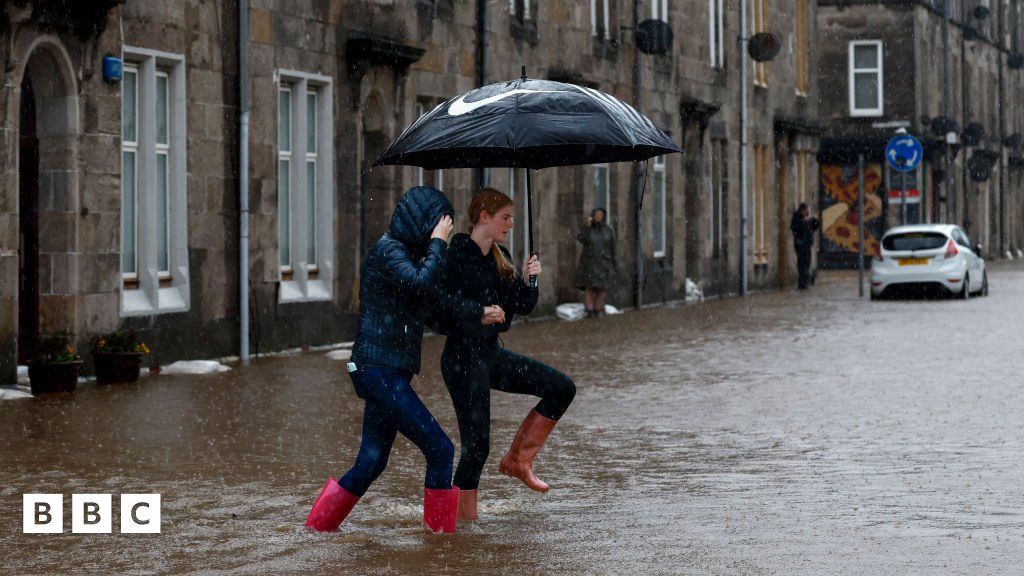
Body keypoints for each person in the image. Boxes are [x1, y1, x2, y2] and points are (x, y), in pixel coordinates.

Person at [304, 186, 460, 534]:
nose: (443, 235)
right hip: (377, 371)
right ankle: (441, 546)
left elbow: (433, 307)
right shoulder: (388, 251)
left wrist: (480, 315)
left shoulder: (408, 258)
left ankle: (316, 532)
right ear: (424, 222)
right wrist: (438, 244)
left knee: (371, 462)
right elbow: (420, 285)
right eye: (441, 226)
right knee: (440, 450)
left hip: (384, 372)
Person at [438, 188, 577, 523]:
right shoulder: (456, 255)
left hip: (491, 355)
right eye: (505, 217)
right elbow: (439, 311)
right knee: (477, 447)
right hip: (462, 360)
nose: (511, 224)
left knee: (562, 388)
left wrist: (531, 280)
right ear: (483, 216)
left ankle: (518, 460)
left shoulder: (501, 258)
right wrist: (479, 313)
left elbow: (522, 305)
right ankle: (462, 527)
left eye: (513, 218)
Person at [575, 208, 616, 318]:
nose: (598, 217)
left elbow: (613, 247)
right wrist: (587, 227)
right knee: (589, 287)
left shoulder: (608, 230)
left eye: (600, 215)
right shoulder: (588, 229)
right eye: (596, 214)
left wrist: (613, 262)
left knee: (601, 288)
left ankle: (598, 309)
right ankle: (590, 310)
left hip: (604, 263)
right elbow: (580, 239)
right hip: (589, 263)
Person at [790, 202, 820, 290]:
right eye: (805, 210)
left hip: (807, 245)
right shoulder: (797, 218)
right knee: (802, 264)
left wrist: (814, 220)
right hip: (800, 244)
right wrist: (802, 223)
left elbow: (815, 227)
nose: (806, 212)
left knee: (807, 263)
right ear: (802, 210)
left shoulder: (808, 218)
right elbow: (795, 229)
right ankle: (802, 283)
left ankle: (805, 282)